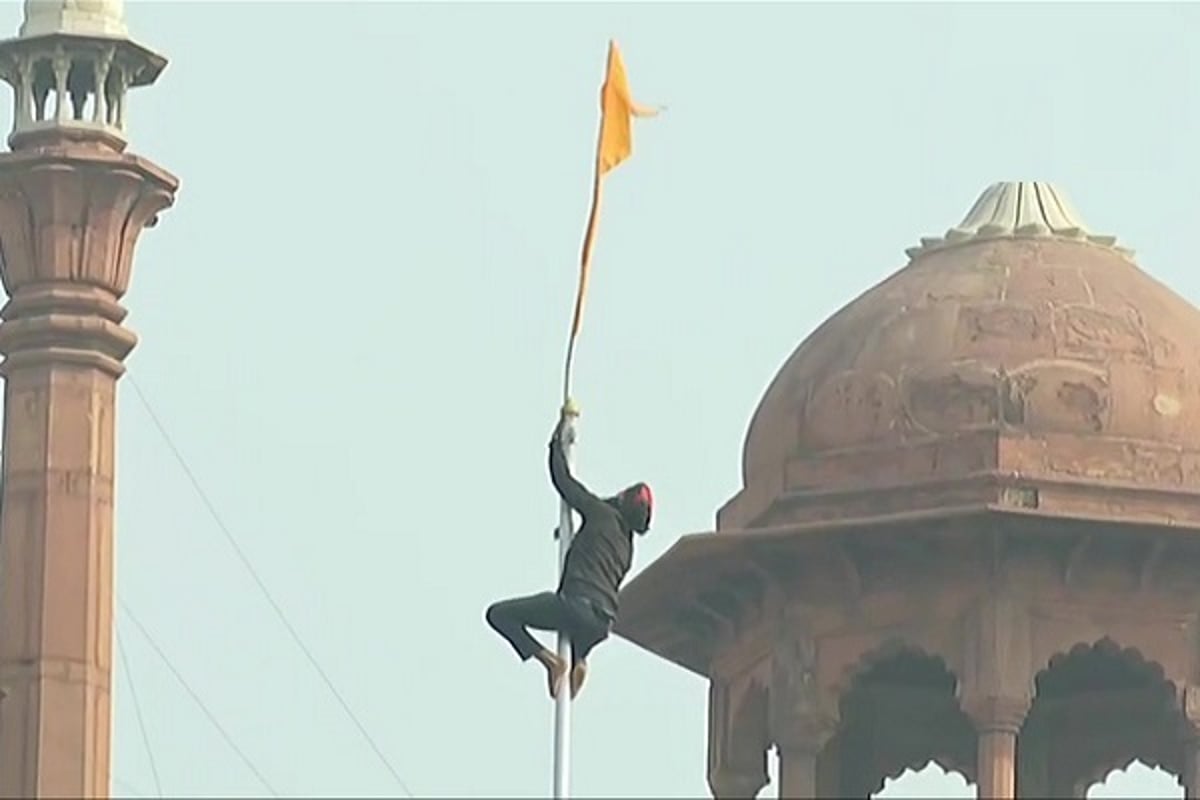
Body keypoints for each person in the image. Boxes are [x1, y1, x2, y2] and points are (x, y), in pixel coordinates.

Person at [486, 409, 653, 700]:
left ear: (623, 500)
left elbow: (563, 480)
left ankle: (549, 661)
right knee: (579, 631)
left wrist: (557, 441)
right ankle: (580, 659)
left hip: (576, 605)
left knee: (499, 615)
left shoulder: (600, 514)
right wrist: (569, 535)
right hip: (601, 623)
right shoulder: (626, 548)